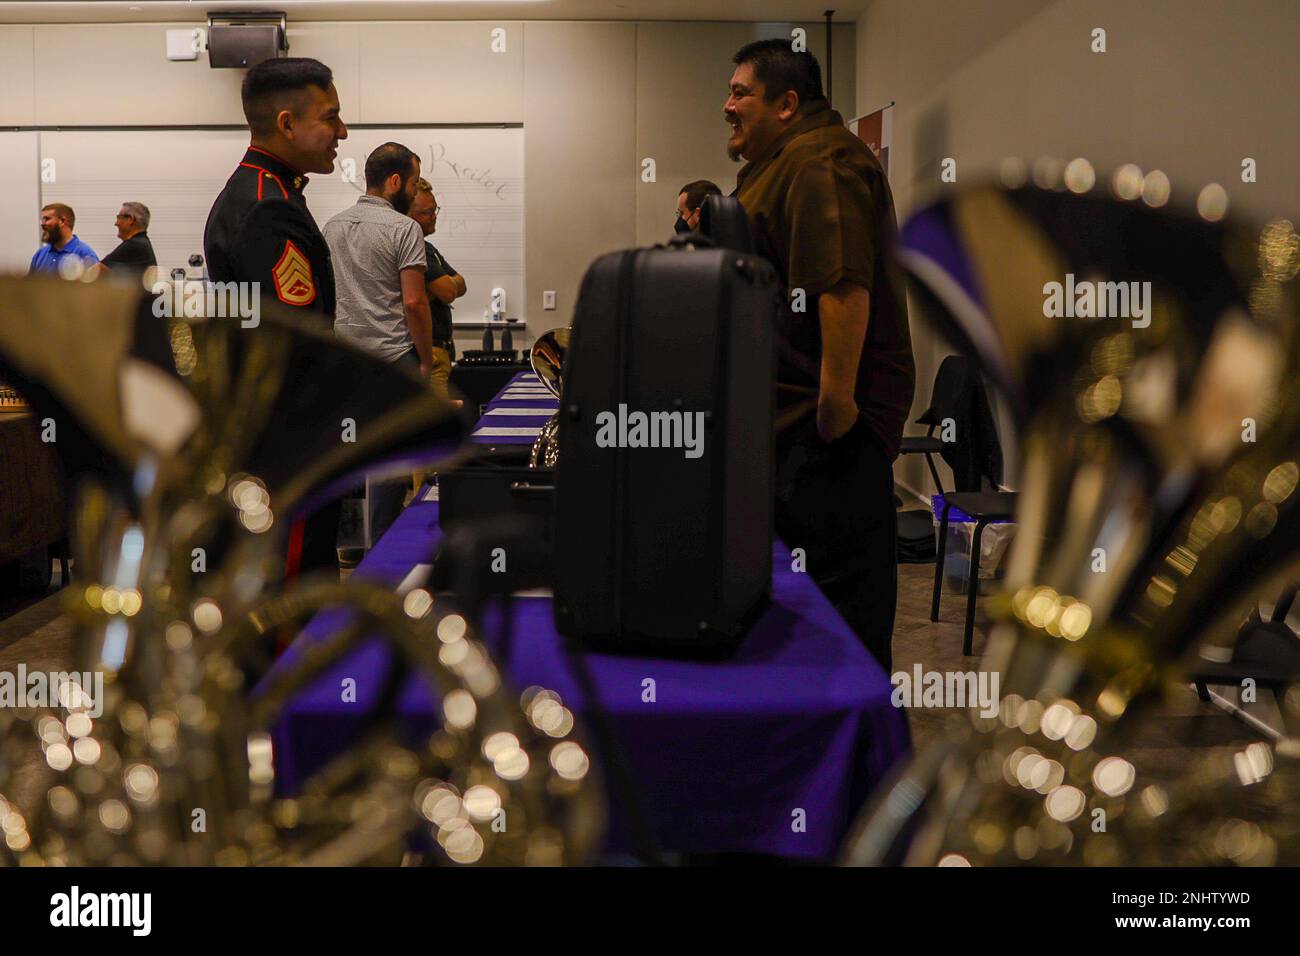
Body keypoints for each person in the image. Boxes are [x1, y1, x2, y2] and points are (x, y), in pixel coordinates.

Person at [726, 38, 915, 671]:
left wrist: (836, 408)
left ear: (786, 103)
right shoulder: (785, 160)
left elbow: (840, 285)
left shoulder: (819, 161)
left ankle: (860, 767)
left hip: (823, 443)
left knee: (838, 643)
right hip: (790, 442)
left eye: (739, 93)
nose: (727, 106)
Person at [204, 56, 349, 578]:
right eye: (330, 118)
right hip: (289, 441)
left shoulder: (267, 191)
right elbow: (297, 344)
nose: (343, 132)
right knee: (292, 591)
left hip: (274, 432)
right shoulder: (267, 206)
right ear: (287, 123)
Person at [324, 142, 430, 543]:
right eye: (415, 182)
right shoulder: (406, 229)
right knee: (389, 467)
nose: (417, 192)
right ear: (395, 181)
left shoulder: (331, 227)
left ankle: (343, 551)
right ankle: (382, 563)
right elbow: (415, 303)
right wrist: (422, 360)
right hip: (393, 359)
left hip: (344, 360)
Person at [407, 178, 466, 401]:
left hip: (438, 352)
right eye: (427, 212)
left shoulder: (428, 248)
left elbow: (461, 283)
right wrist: (444, 285)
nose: (434, 216)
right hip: (428, 353)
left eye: (435, 210)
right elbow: (449, 291)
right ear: (409, 216)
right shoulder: (417, 247)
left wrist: (444, 285)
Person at [28, 204, 98, 277]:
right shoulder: (40, 254)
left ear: (62, 221)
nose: (42, 224)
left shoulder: (85, 254)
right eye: (43, 220)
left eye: (47, 219)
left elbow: (95, 287)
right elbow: (29, 286)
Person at [96, 202, 157, 281]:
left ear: (130, 219)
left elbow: (96, 272)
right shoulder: (142, 242)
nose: (116, 223)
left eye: (119, 217)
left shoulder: (134, 245)